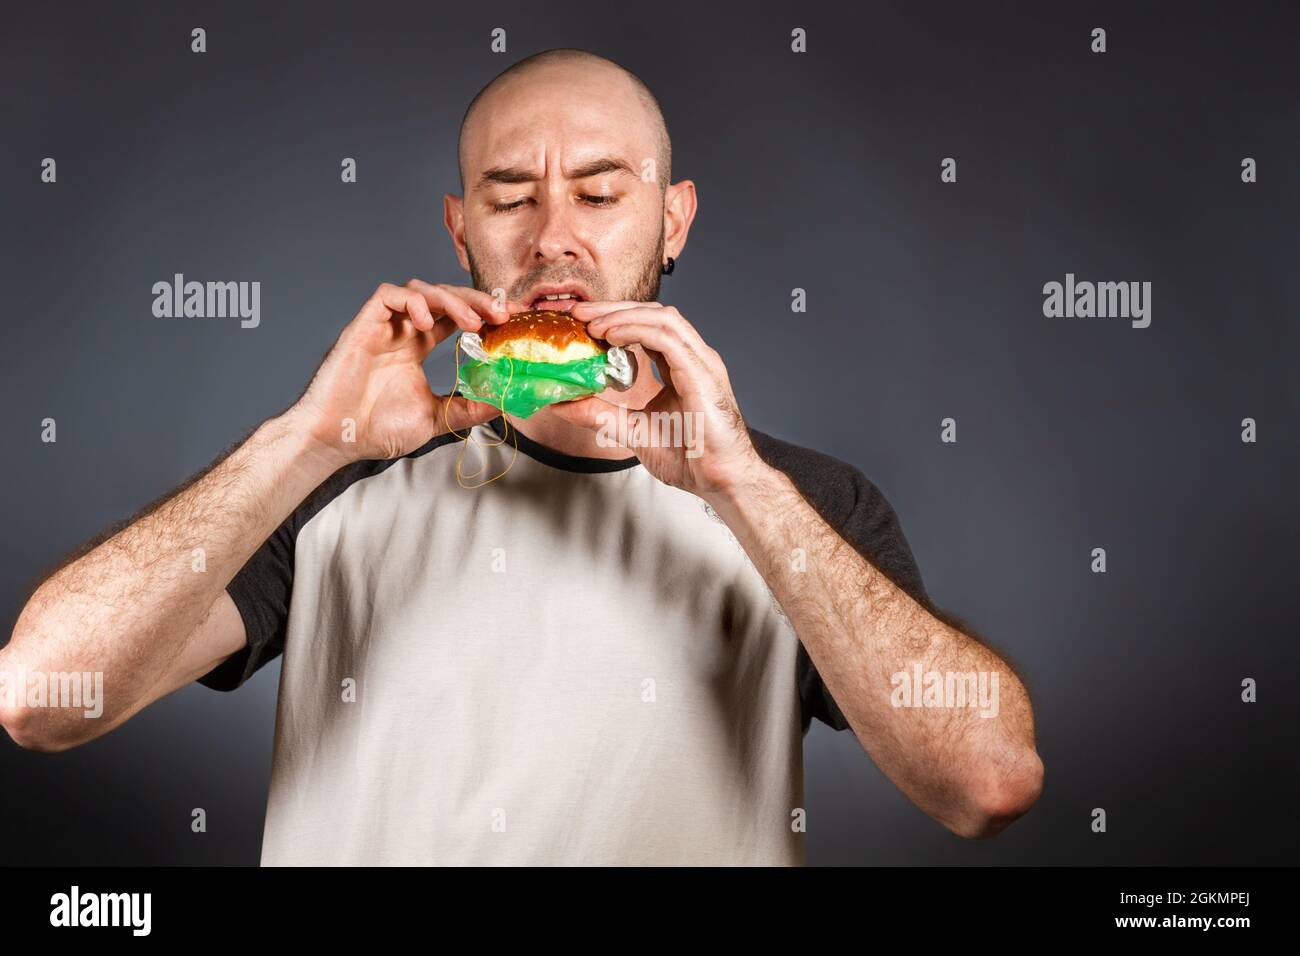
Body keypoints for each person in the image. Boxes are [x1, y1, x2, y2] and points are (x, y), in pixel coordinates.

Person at [0, 49, 1043, 865]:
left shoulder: (798, 502)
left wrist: (742, 488)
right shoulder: (330, 481)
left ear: (672, 220)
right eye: (510, 198)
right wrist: (305, 439)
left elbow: (990, 783)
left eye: (600, 194)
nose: (553, 238)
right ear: (462, 233)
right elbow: (38, 697)